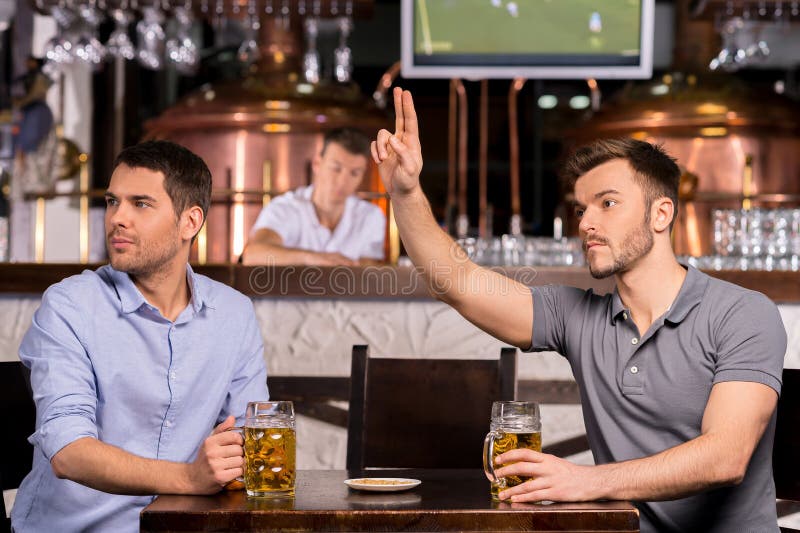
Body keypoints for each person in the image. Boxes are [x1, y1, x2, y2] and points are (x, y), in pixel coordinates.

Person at [371, 87, 785, 533]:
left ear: (660, 214)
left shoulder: (742, 313)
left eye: (607, 203)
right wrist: (406, 193)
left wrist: (585, 481)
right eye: (581, 208)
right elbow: (457, 283)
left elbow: (726, 457)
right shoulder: (576, 315)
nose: (586, 222)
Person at [11, 140, 268, 532]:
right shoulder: (69, 306)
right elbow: (68, 452)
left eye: (140, 204)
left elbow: (250, 442)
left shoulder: (233, 314)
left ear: (190, 222)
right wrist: (190, 478)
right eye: (114, 202)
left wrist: (231, 463)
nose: (117, 218)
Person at [242, 127, 386, 266]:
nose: (343, 181)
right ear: (317, 164)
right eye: (336, 168)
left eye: (354, 173)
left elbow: (370, 270)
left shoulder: (370, 216)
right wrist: (314, 259)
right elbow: (253, 255)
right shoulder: (284, 208)